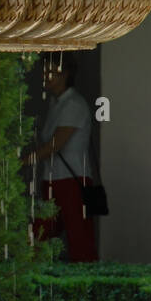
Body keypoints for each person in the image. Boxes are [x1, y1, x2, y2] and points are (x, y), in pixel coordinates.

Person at [27, 55, 98, 263]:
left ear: (65, 74)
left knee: (79, 239)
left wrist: (26, 160)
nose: (46, 76)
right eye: (45, 71)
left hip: (73, 178)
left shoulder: (73, 103)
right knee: (41, 233)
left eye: (52, 71)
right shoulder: (55, 103)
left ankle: (84, 283)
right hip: (53, 178)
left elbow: (56, 144)